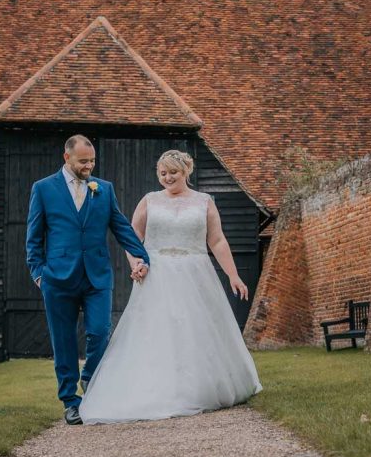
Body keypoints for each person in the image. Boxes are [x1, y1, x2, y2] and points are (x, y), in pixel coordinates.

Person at [78, 149, 263, 424]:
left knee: (195, 329)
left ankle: (199, 386)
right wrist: (137, 263)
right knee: (157, 330)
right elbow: (132, 236)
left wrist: (233, 275)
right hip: (157, 274)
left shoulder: (204, 202)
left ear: (186, 171)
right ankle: (155, 387)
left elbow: (217, 241)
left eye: (173, 172)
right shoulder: (149, 201)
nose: (167, 178)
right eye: (162, 173)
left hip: (195, 274)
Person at [26, 135, 150, 426]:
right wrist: (38, 273)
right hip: (57, 278)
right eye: (83, 161)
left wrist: (143, 256)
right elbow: (33, 236)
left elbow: (120, 226)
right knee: (64, 340)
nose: (89, 166)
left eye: (92, 161)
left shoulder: (103, 189)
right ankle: (70, 400)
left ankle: (91, 379)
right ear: (66, 157)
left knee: (100, 331)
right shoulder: (43, 189)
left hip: (97, 276)